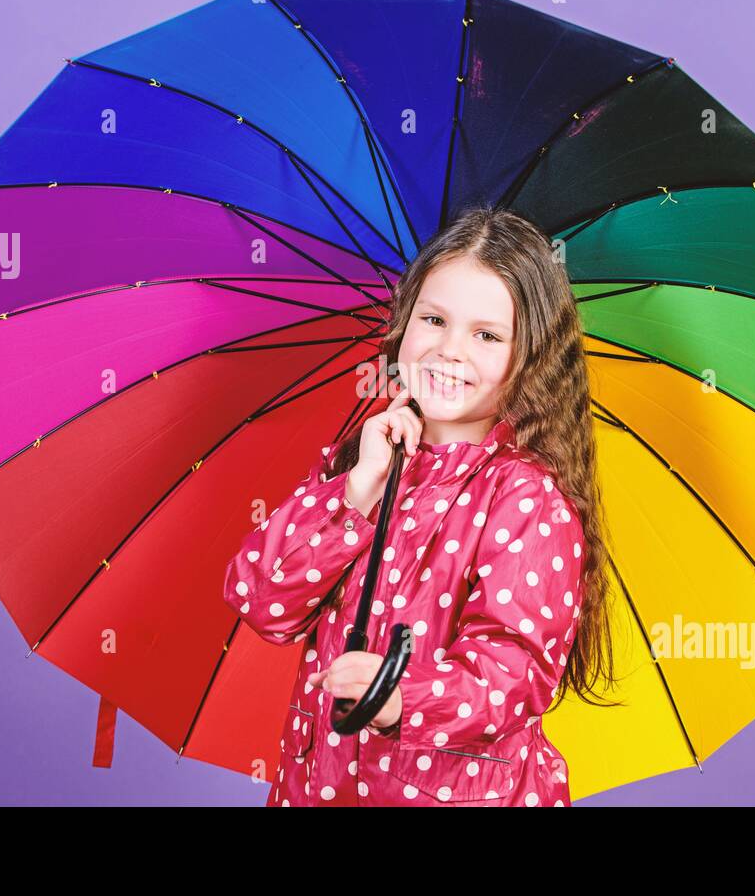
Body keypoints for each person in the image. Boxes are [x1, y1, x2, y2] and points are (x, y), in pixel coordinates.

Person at [222, 206, 614, 806]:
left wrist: (399, 693)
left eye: (487, 335)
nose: (448, 350)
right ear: (404, 325)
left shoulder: (527, 498)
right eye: (433, 319)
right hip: (320, 788)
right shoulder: (368, 458)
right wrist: (357, 492)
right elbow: (260, 598)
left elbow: (512, 672)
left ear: (529, 358)